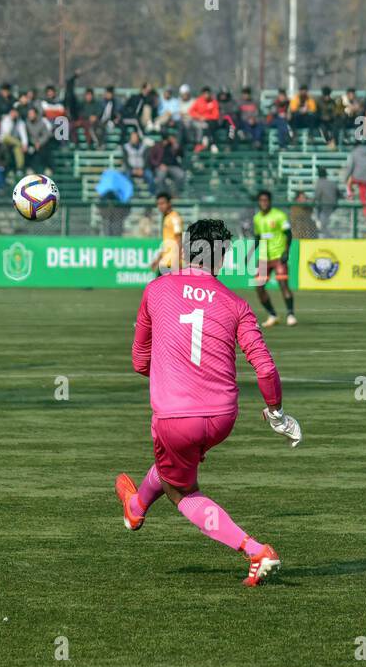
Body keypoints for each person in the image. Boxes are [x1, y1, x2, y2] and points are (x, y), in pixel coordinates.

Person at [114, 217, 300, 587]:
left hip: (176, 415)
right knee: (173, 466)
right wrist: (276, 411)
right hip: (221, 418)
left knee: (180, 489)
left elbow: (139, 363)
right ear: (223, 257)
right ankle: (134, 509)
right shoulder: (236, 303)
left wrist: (171, 371)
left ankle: (255, 550)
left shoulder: (157, 290)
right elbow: (264, 366)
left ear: (185, 249)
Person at [252, 191, 295, 327]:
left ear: (270, 201)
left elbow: (288, 234)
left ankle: (290, 314)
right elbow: (258, 237)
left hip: (278, 256)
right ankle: (272, 315)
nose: (263, 203)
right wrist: (250, 252)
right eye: (261, 200)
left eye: (266, 200)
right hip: (264, 258)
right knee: (259, 287)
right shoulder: (257, 218)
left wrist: (286, 252)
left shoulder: (279, 216)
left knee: (283, 284)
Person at [148, 193, 183, 275]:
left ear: (169, 203)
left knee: (160, 286)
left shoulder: (174, 218)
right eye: (158, 204)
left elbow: (179, 240)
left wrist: (176, 261)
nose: (160, 206)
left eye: (162, 203)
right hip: (165, 261)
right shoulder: (167, 218)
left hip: (172, 263)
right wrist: (157, 259)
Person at [341, 140, 366, 219]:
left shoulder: (354, 153)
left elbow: (350, 167)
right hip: (365, 177)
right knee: (363, 197)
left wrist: (345, 177)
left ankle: (350, 195)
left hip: (356, 176)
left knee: (348, 181)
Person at [313, 168, 338, 237]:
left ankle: (331, 239)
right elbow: (339, 194)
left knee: (322, 226)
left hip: (325, 209)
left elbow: (316, 197)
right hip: (335, 208)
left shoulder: (319, 183)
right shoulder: (332, 183)